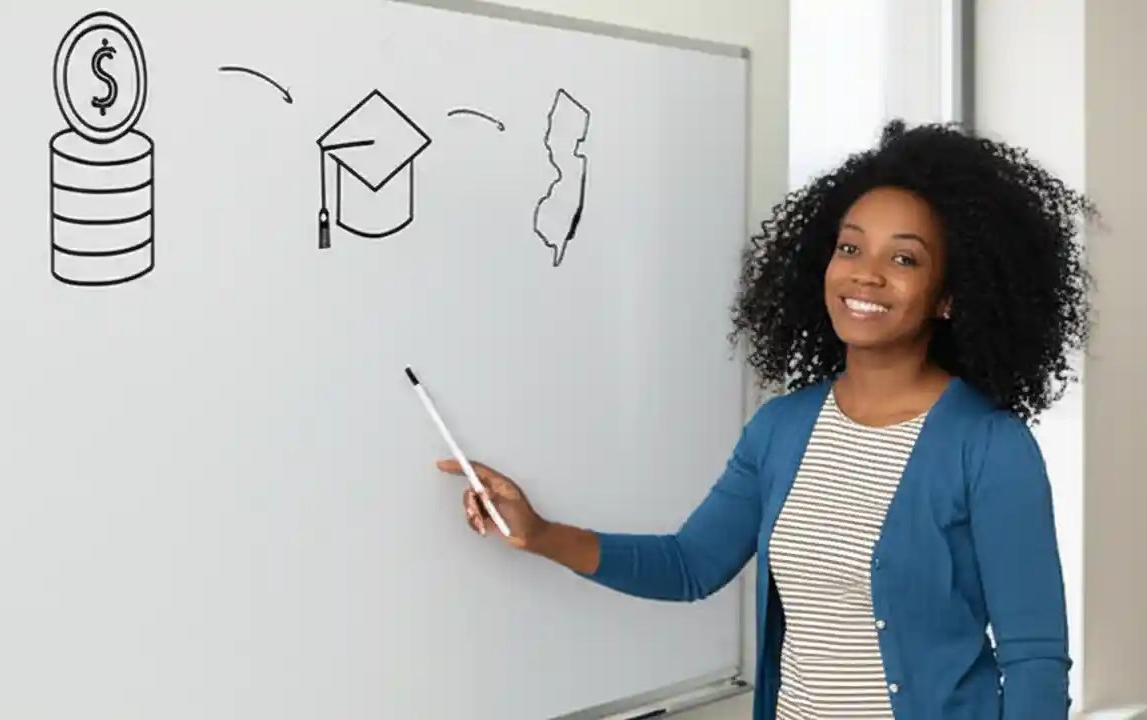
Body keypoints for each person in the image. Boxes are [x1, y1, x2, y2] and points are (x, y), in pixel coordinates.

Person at [437, 120, 1096, 720]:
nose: (865, 276)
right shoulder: (782, 428)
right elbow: (691, 564)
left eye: (903, 259)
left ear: (950, 296)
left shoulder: (988, 448)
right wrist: (541, 532)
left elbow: (1034, 660)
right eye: (849, 249)